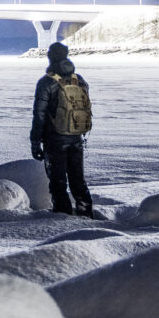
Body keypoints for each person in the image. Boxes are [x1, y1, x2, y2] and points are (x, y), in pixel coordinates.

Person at [30, 42, 94, 216]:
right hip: (76, 137)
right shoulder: (78, 79)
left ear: (51, 57)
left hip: (54, 140)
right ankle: (86, 213)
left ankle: (62, 216)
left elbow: (39, 115)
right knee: (78, 180)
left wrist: (35, 142)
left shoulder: (46, 82)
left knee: (58, 182)